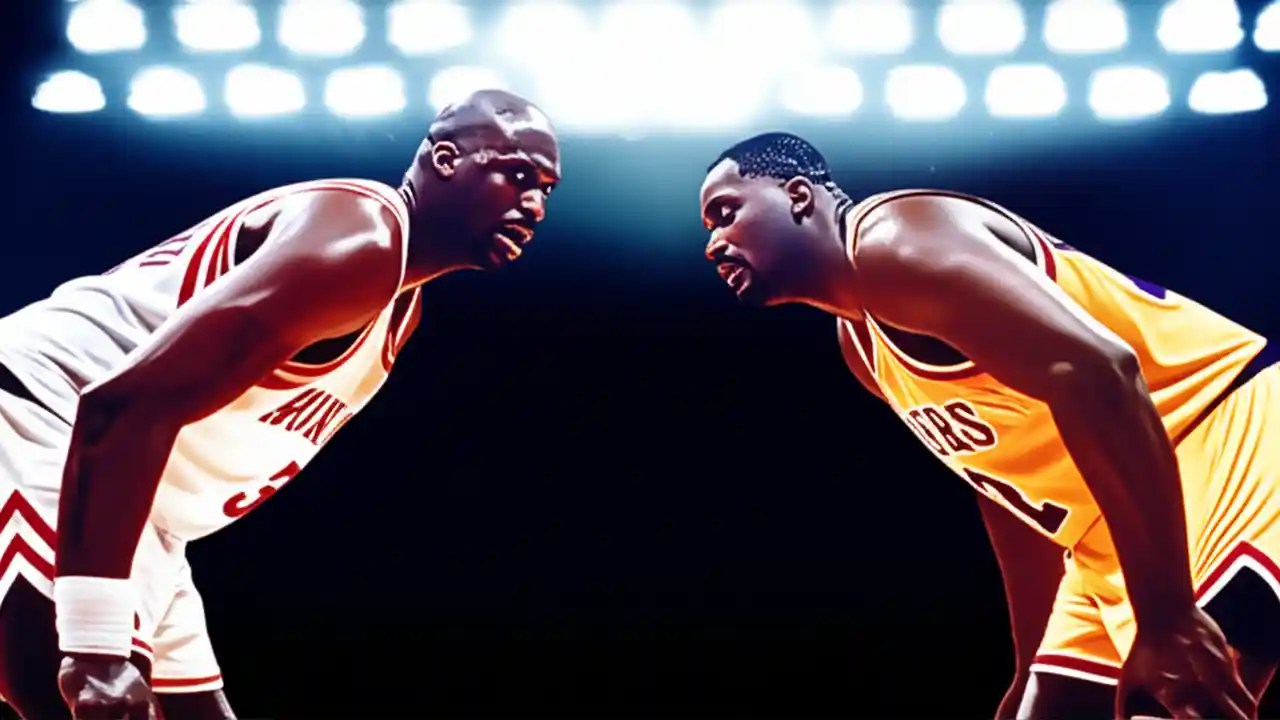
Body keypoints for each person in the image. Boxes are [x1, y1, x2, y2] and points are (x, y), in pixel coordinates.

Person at [0, 88, 560, 720]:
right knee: (80, 700)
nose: (535, 204)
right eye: (516, 175)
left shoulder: (399, 309)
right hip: (45, 423)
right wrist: (98, 650)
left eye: (547, 189)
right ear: (446, 159)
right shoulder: (358, 240)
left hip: (139, 506)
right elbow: (123, 406)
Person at [698, 131, 1280, 719]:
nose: (713, 244)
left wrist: (1169, 615)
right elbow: (1006, 488)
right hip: (1111, 520)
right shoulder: (862, 346)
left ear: (798, 195)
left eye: (726, 213)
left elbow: (1102, 371)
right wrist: (1030, 663)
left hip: (1226, 432)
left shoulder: (896, 243)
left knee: (1182, 700)